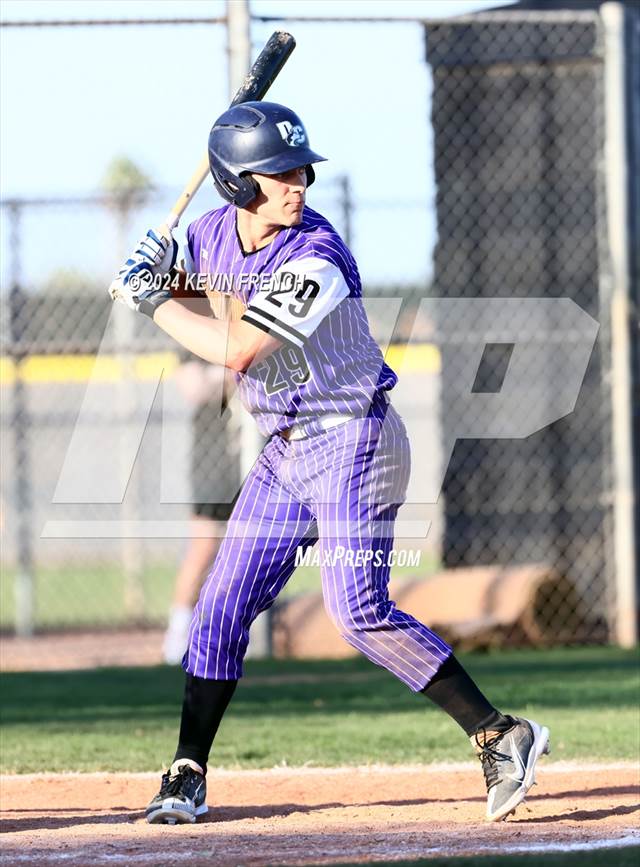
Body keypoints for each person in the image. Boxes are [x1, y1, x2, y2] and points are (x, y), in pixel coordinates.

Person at [108, 101, 549, 826]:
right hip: (285, 449)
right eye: (278, 173)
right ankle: (187, 770)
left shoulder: (316, 255)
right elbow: (218, 299)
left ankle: (501, 732)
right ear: (236, 185)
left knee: (355, 611)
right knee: (217, 610)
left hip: (355, 440)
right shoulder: (211, 232)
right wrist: (166, 277)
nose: (298, 182)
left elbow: (238, 348)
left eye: (300, 169)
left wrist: (151, 300)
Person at [163, 344, 242, 664]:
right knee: (205, 545)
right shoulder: (201, 329)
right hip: (216, 455)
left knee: (251, 547)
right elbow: (194, 387)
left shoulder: (264, 318)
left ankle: (235, 633)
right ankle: (178, 635)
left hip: (263, 454)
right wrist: (238, 373)